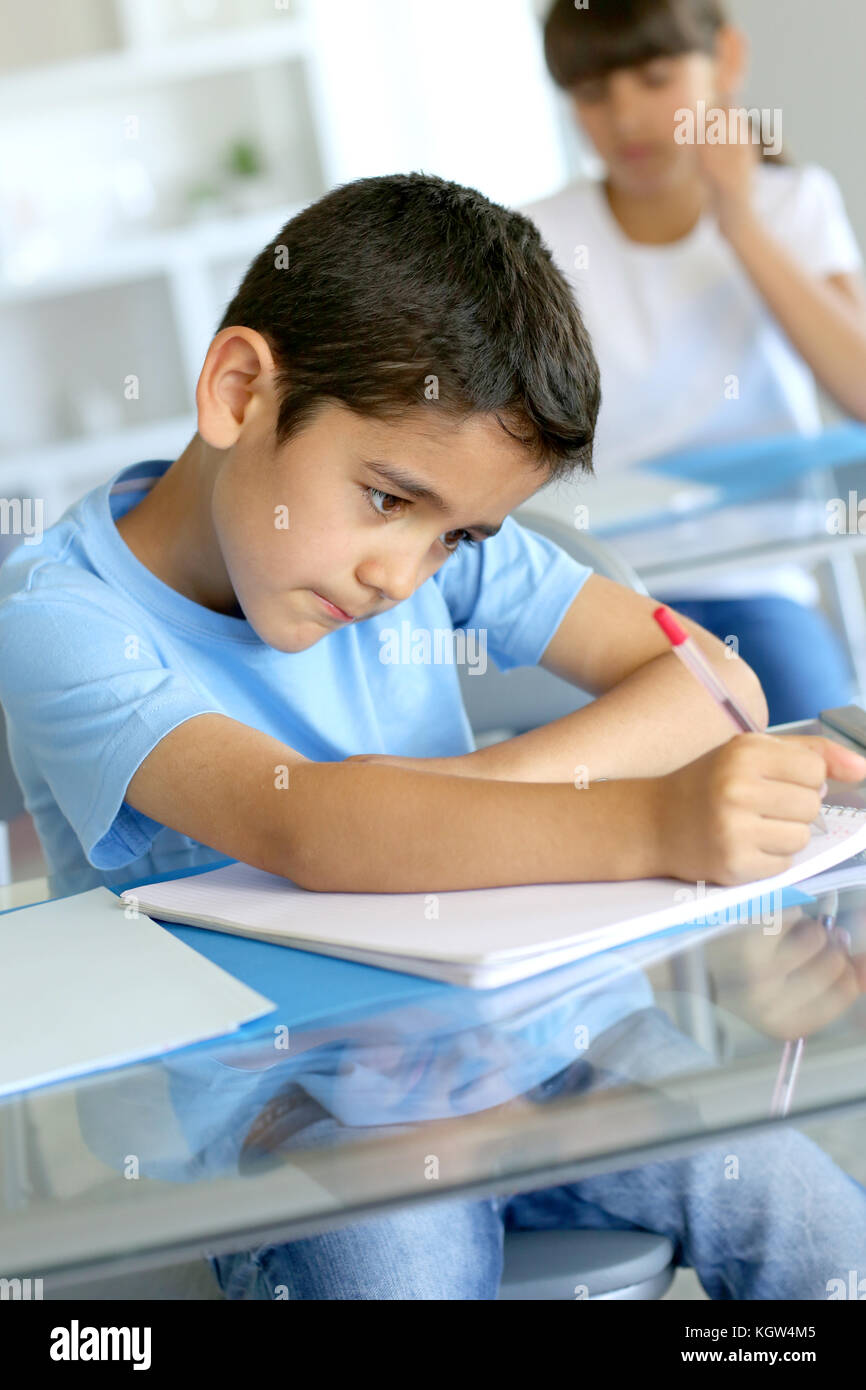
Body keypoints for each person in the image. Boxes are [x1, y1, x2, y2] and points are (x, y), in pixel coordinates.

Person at [2, 173, 865, 1299]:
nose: (399, 575)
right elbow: (304, 823)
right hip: (290, 1104)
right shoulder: (58, 619)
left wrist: (472, 794)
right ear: (238, 390)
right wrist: (653, 817)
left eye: (456, 538)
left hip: (545, 1043)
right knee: (401, 1262)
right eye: (382, 500)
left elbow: (717, 682)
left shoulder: (427, 538)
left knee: (801, 1214)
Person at [525, 0, 866, 723]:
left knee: (822, 757)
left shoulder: (793, 205)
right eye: (592, 93)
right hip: (593, 590)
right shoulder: (538, 236)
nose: (625, 118)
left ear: (728, 61)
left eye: (654, 77)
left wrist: (739, 222)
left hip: (757, 579)